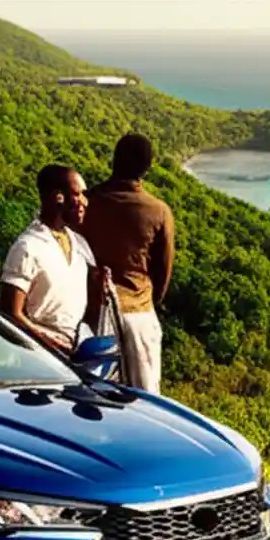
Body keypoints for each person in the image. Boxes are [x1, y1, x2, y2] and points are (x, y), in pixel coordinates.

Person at [79, 134, 175, 394]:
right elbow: (162, 271)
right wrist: (153, 300)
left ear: (114, 161)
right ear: (147, 168)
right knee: (144, 397)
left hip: (87, 312)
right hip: (138, 312)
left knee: (89, 393)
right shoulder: (158, 211)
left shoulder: (87, 203)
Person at [0, 165, 106, 356]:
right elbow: (9, 314)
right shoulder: (28, 247)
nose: (85, 202)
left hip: (72, 353)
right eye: (78, 194)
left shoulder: (79, 244)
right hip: (35, 356)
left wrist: (99, 286)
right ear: (58, 197)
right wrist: (48, 341)